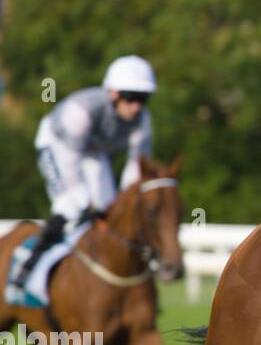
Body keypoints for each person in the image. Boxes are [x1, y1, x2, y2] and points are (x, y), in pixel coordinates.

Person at [10, 55, 156, 293]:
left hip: (92, 152)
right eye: (131, 97)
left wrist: (125, 204)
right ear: (113, 93)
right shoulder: (81, 110)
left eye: (143, 99)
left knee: (109, 211)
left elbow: (135, 168)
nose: (137, 106)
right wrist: (85, 202)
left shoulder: (143, 120)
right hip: (57, 145)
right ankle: (27, 267)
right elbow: (69, 164)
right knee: (71, 206)